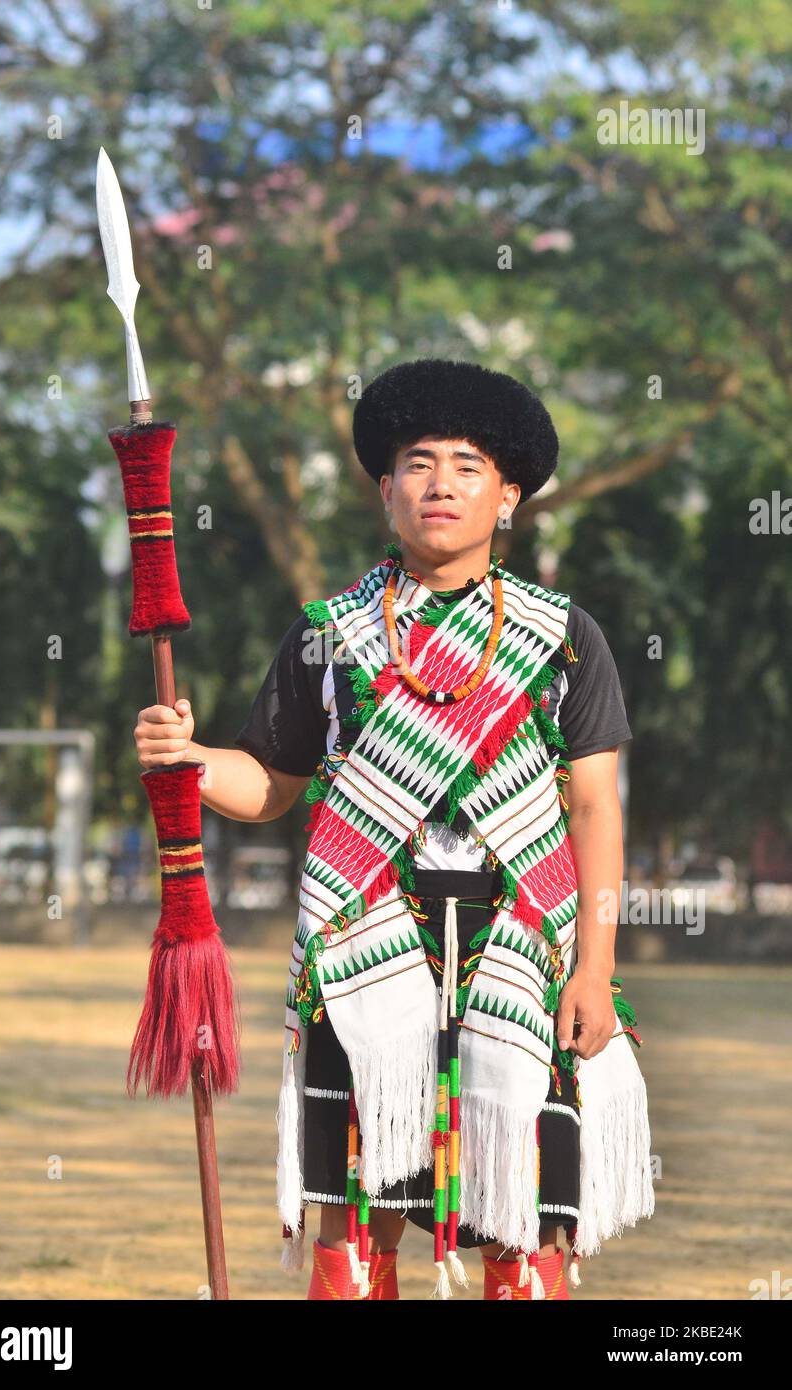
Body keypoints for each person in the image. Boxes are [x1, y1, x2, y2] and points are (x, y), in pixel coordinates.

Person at [133, 358, 654, 1300]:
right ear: (385, 491)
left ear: (506, 498)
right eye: (418, 463)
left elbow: (593, 808)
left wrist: (594, 968)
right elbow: (271, 785)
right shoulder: (326, 635)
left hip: (520, 952)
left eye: (467, 465)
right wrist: (190, 759)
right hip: (363, 952)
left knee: (519, 1220)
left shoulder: (565, 636)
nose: (440, 483)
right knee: (356, 1224)